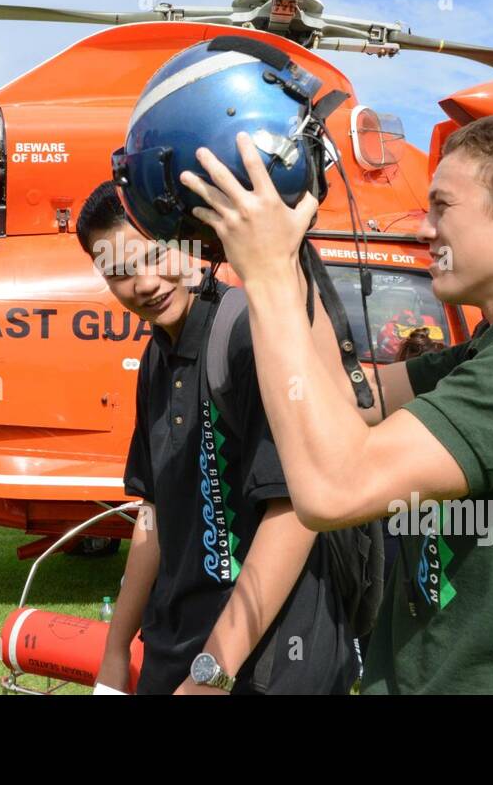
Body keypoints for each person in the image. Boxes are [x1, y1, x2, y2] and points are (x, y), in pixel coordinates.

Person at [182, 113, 493, 693]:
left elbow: (335, 489)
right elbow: (345, 397)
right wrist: (293, 253)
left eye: (442, 207)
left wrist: (270, 275)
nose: (425, 230)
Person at [78, 181, 356, 695]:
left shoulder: (251, 334)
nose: (144, 282)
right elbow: (153, 513)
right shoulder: (156, 356)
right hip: (178, 655)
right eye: (118, 271)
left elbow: (295, 510)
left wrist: (212, 672)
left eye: (156, 255)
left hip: (269, 664)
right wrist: (116, 652)